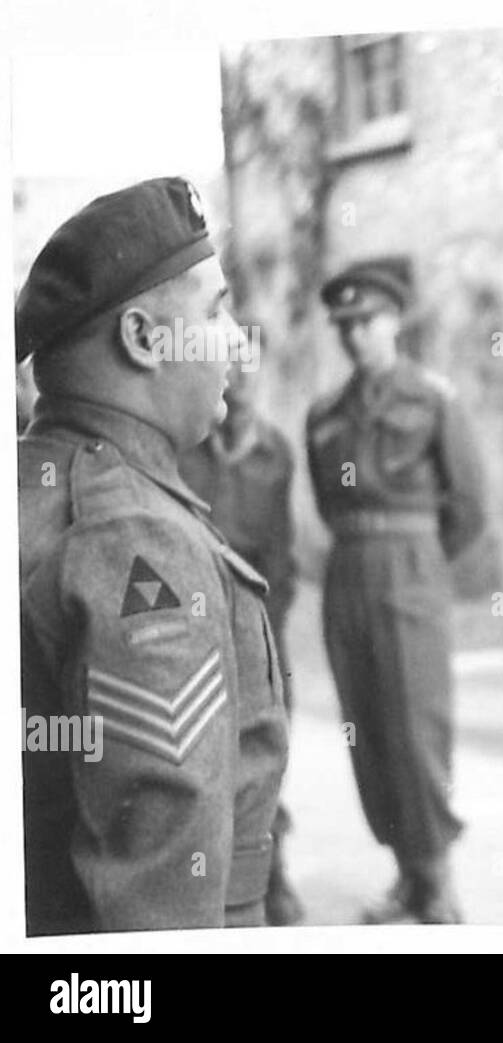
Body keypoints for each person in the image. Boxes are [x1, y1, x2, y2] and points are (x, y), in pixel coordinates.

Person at [16, 176, 288, 934]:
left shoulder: (35, 482)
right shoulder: (132, 538)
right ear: (142, 339)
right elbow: (163, 888)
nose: (238, 341)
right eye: (216, 311)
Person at [306, 261, 486, 924]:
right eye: (344, 325)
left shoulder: (433, 398)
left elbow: (469, 505)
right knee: (369, 726)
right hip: (348, 571)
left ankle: (438, 879)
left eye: (367, 321)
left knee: (417, 726)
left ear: (394, 322)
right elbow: (327, 503)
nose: (354, 335)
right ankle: (408, 873)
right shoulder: (324, 413)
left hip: (411, 568)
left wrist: (421, 561)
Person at [180, 357, 304, 926]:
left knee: (262, 754)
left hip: (258, 623)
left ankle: (271, 877)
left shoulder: (276, 453)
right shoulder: (186, 446)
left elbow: (281, 554)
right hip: (197, 619)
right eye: (234, 366)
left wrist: (262, 632)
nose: (243, 381)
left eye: (253, 368)